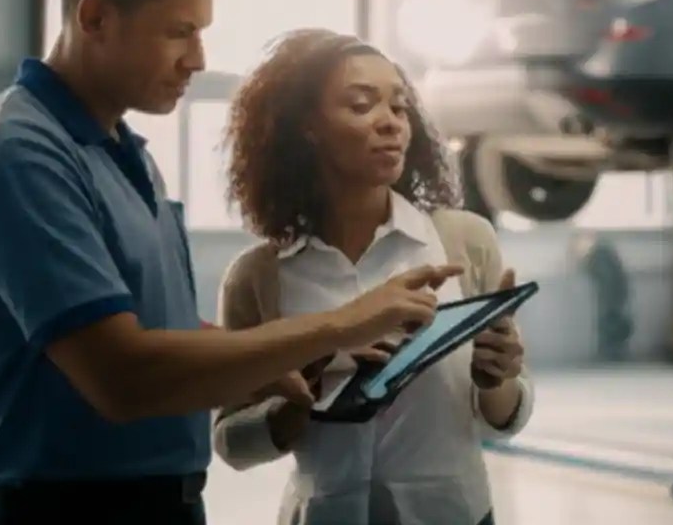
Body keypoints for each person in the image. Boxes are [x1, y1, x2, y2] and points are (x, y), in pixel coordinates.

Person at [0, 0, 458, 525]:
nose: (199, 59)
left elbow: (162, 326)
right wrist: (341, 325)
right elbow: (122, 376)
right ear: (95, 17)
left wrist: (271, 359)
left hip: (161, 503)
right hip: (70, 510)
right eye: (178, 32)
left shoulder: (124, 153)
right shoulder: (19, 154)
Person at [211, 29, 534, 525]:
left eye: (400, 108)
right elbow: (231, 442)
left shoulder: (464, 242)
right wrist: (297, 407)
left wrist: (499, 378)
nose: (391, 124)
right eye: (362, 105)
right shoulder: (258, 278)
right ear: (306, 127)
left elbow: (508, 414)